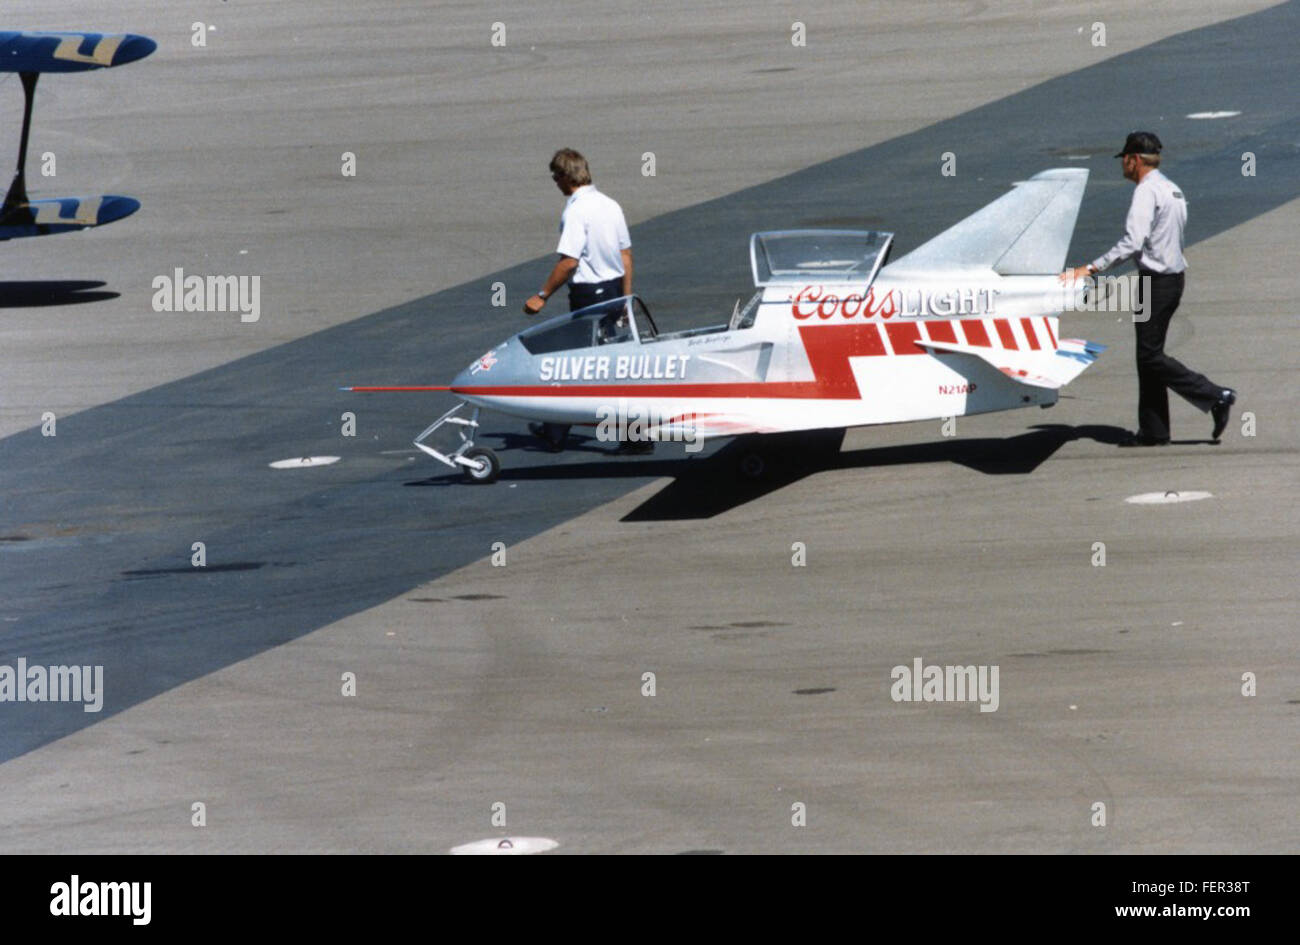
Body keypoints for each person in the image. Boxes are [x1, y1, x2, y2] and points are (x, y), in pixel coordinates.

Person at [1061, 131, 1236, 447]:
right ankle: (1155, 431)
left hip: (1155, 284)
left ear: (1134, 160)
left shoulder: (1145, 192)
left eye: (1124, 160)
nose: (1122, 167)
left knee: (1151, 357)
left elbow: (1132, 241)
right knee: (1148, 357)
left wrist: (1090, 268)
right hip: (1172, 280)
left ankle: (1216, 396)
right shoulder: (1172, 189)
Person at [522, 148, 636, 452]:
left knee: (574, 365)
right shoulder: (610, 204)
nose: (555, 183)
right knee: (612, 365)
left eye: (555, 177)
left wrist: (541, 296)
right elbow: (625, 255)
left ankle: (556, 433)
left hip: (589, 294)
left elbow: (569, 262)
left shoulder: (576, 211)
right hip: (612, 290)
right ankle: (634, 436)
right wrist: (625, 296)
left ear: (564, 176)